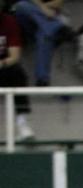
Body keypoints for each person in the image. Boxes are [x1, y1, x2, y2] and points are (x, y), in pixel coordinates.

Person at [10, 0, 65, 89]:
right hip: (25, 24)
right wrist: (43, 8)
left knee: (44, 35)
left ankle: (42, 79)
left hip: (45, 21)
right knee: (22, 5)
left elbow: (59, 2)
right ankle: (55, 27)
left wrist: (38, 7)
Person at [0, 9, 34, 142]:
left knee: (16, 72)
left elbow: (14, 56)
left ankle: (22, 123)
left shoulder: (9, 22)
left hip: (3, 66)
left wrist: (1, 63)